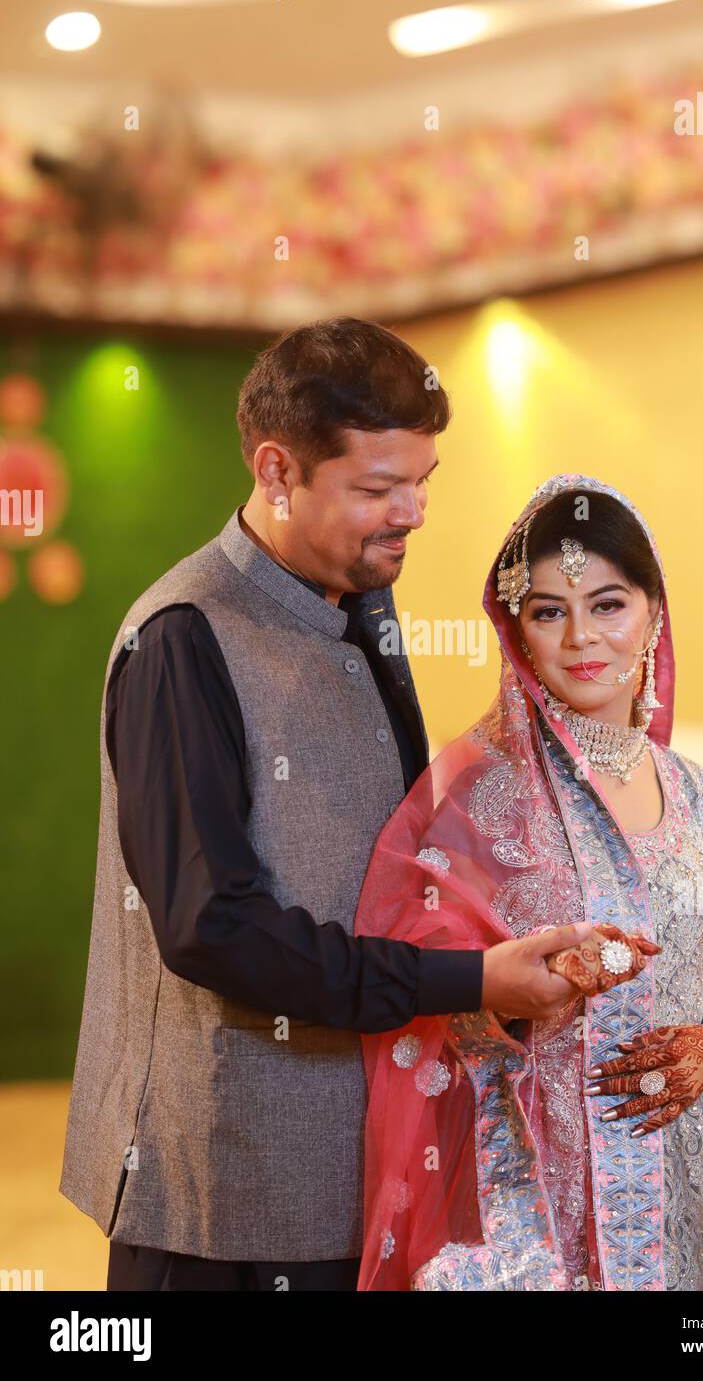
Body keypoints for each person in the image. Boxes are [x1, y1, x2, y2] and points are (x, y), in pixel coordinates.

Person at [58, 320, 589, 1292]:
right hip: (223, 1191)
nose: (413, 512)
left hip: (360, 1168)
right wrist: (467, 980)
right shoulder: (182, 638)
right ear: (276, 471)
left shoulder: (359, 604)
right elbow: (212, 928)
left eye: (422, 480)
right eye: (379, 488)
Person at [355, 472, 703, 1291]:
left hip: (689, 1180)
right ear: (518, 631)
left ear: (653, 613)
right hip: (540, 1193)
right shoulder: (476, 797)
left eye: (608, 604)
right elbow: (408, 984)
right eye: (549, 611)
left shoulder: (700, 799)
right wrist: (512, 997)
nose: (583, 638)